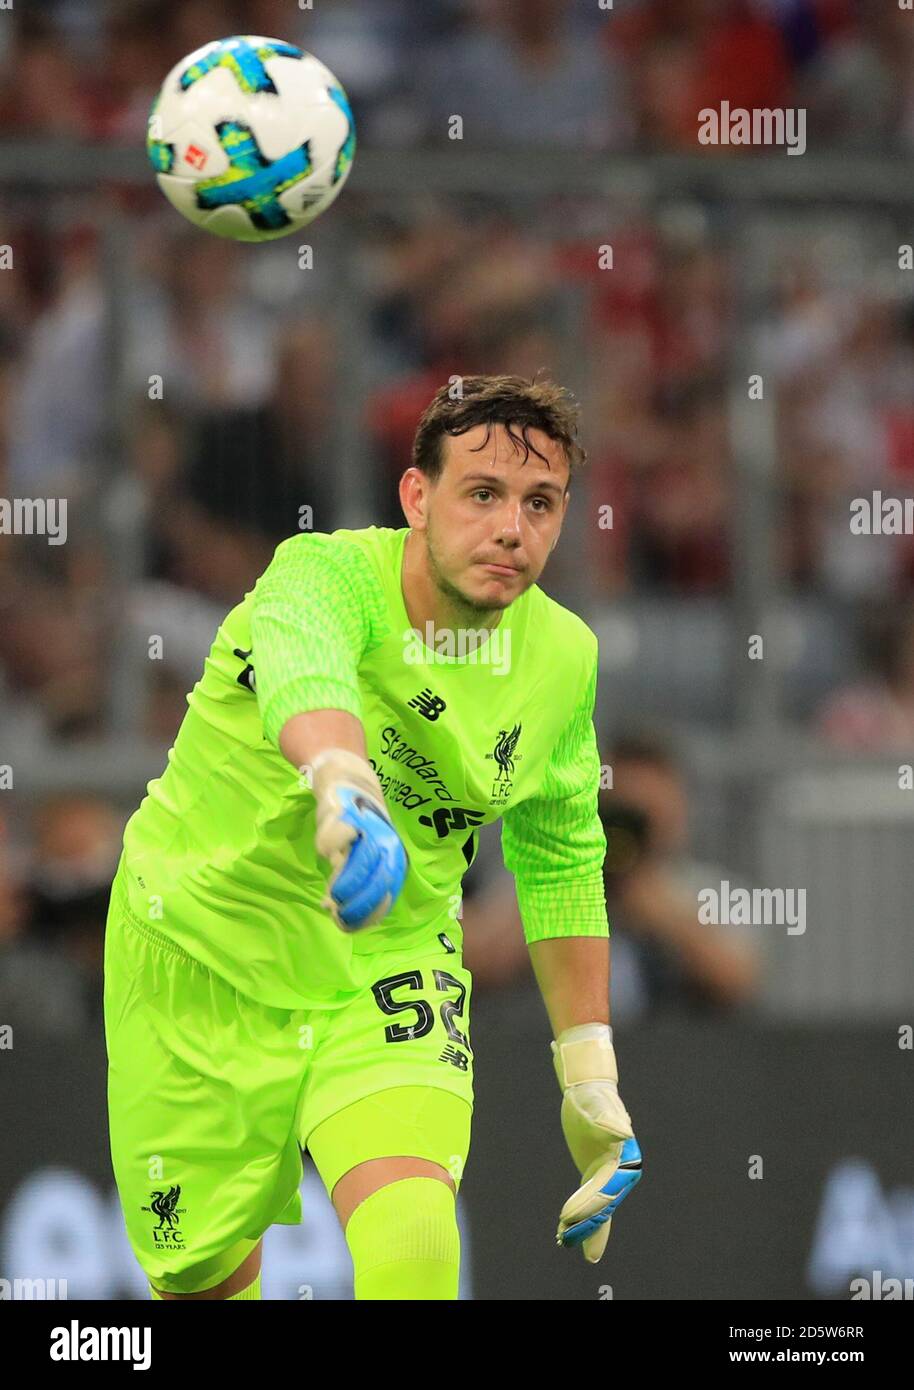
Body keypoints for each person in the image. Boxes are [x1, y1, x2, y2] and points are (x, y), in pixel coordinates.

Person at [104, 374, 641, 1301]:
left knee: (416, 1236)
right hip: (196, 947)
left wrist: (588, 1067)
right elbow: (305, 670)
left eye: (541, 503)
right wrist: (343, 785)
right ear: (416, 498)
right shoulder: (320, 572)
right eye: (483, 494)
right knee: (199, 1281)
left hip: (384, 950)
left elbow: (560, 856)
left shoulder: (564, 658)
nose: (513, 528)